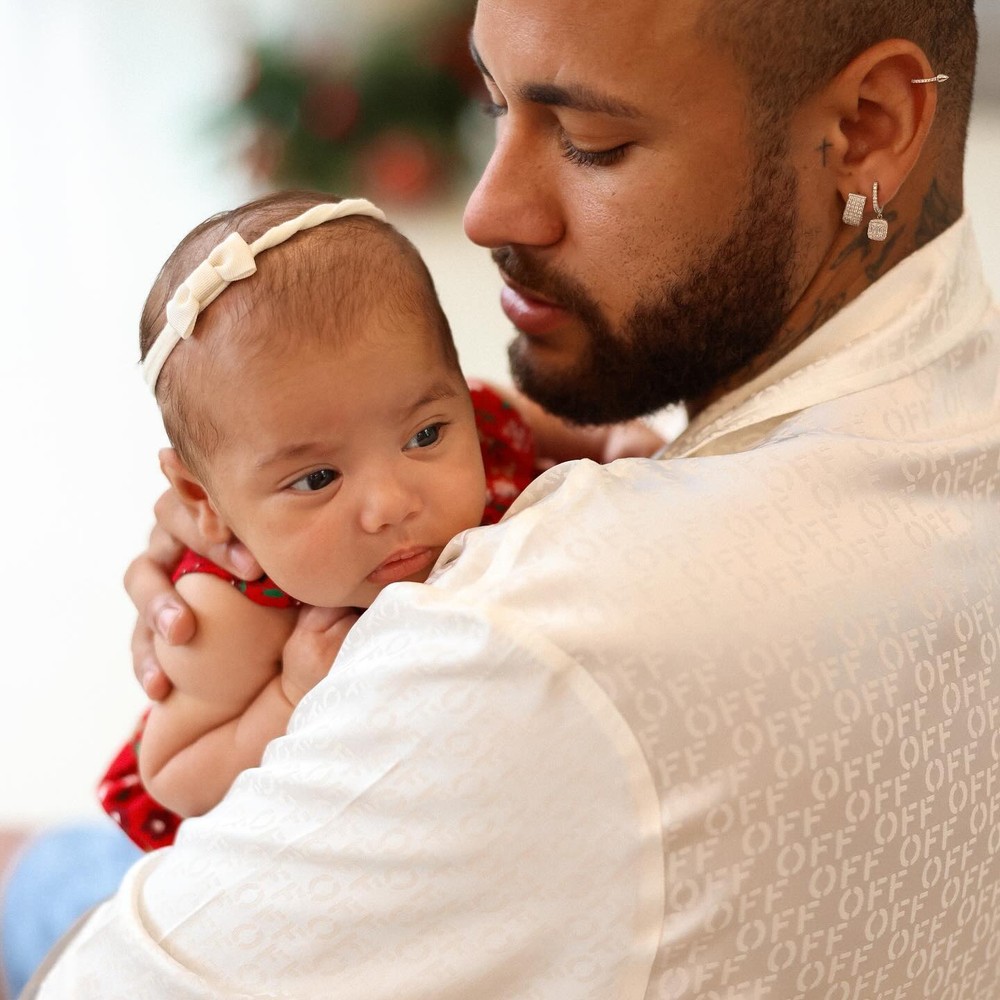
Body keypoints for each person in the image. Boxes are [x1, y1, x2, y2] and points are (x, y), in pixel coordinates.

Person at [29, 0, 1000, 996]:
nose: (486, 210)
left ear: (867, 128)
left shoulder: (526, 638)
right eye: (492, 102)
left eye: (589, 140)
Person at [95, 189, 558, 847]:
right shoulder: (229, 610)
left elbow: (520, 413)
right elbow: (171, 776)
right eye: (317, 478)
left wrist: (608, 446)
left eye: (423, 435)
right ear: (204, 503)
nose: (391, 503)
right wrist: (288, 697)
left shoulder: (473, 422)